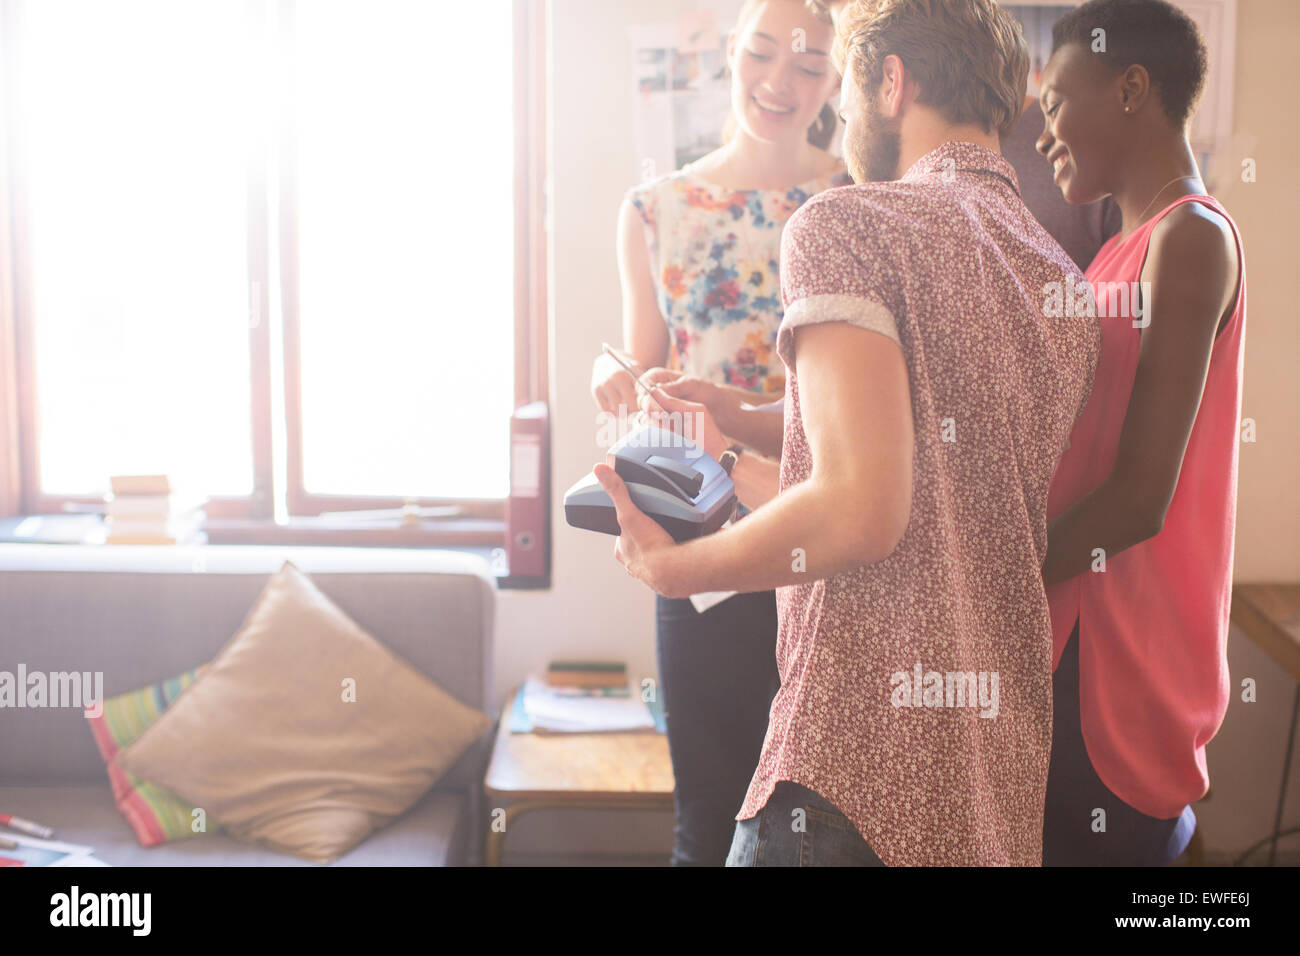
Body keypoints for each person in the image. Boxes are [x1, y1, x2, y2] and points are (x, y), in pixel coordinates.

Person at [595, 0, 1098, 866]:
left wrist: (673, 569)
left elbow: (863, 509)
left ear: (891, 83)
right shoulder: (1058, 281)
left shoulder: (847, 222)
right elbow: (930, 456)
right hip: (985, 788)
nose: (842, 118)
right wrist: (746, 415)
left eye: (848, 90)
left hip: (849, 777)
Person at [588, 0, 845, 867]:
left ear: (839, 81)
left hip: (825, 535)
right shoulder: (657, 208)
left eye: (809, 65)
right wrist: (612, 376)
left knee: (817, 820)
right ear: (729, 54)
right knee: (708, 813)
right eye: (762, 54)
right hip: (697, 533)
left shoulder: (862, 204)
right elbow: (643, 368)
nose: (779, 81)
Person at [1035, 0, 1246, 866]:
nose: (1045, 130)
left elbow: (1139, 496)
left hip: (1121, 653)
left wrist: (991, 582)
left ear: (1130, 88)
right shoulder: (1115, 252)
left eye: (1055, 102)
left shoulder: (1189, 238)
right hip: (1075, 631)